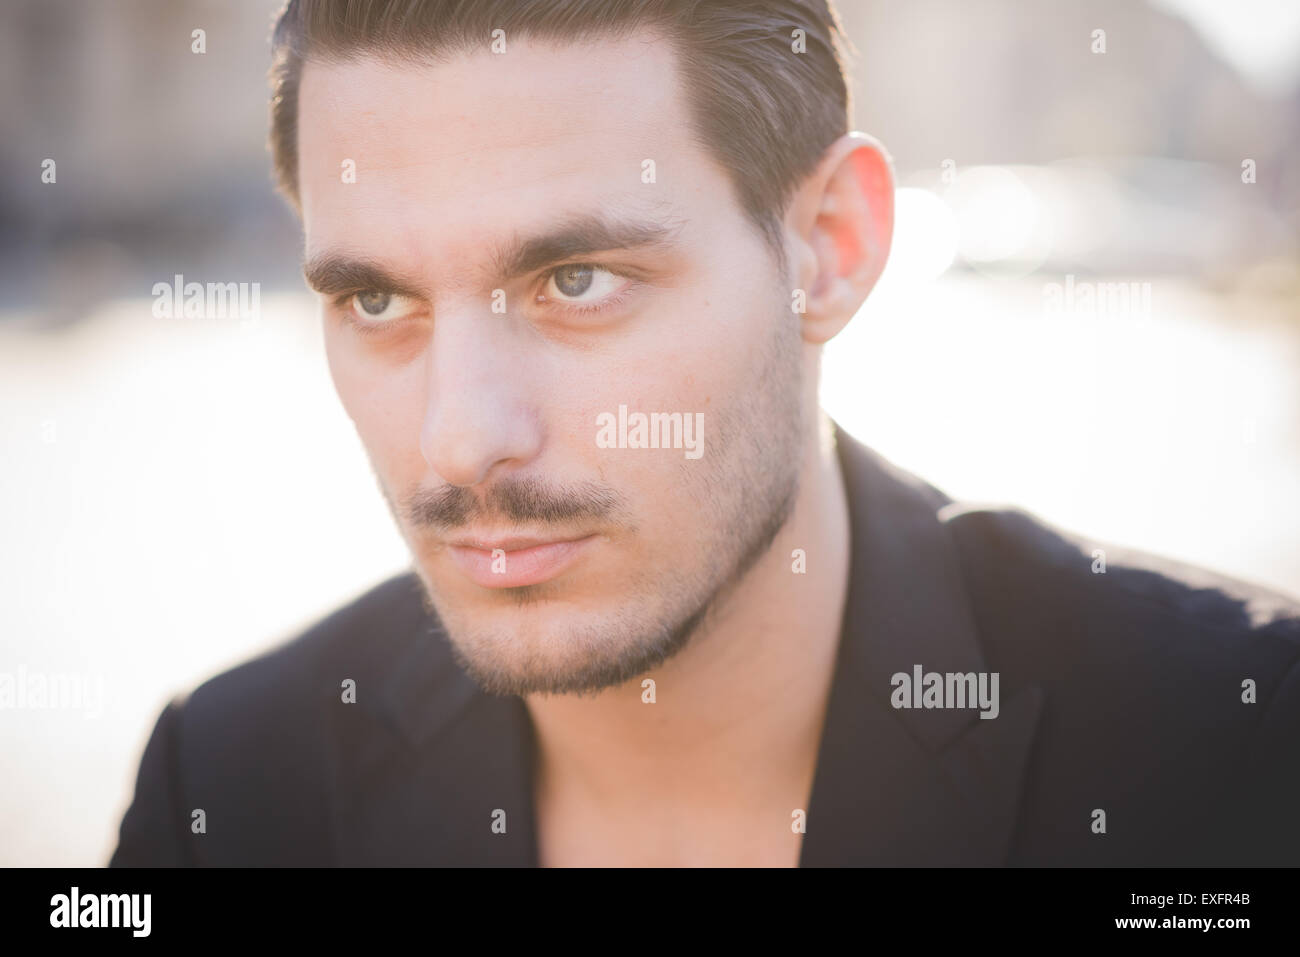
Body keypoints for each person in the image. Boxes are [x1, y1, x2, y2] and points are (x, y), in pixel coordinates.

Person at [110, 0, 1299, 867]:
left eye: (577, 280)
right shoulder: (228, 790)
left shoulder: (1233, 749)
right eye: (377, 302)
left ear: (827, 248)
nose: (460, 441)